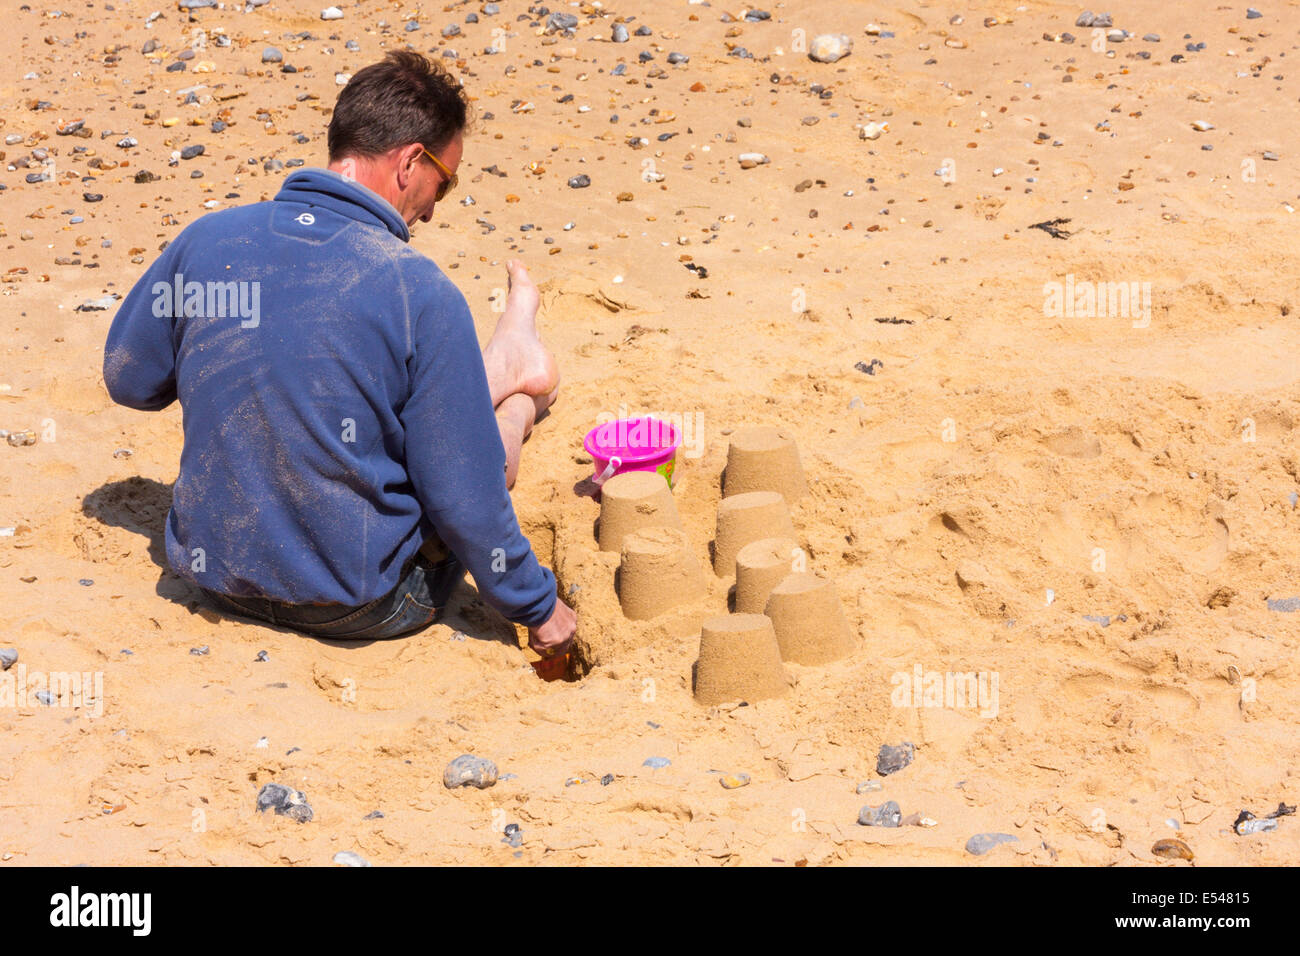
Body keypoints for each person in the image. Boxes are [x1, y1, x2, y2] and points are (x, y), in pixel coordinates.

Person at [102, 51, 576, 657]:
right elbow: (466, 496)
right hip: (363, 607)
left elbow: (129, 380)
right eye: (443, 182)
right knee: (477, 445)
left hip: (217, 579)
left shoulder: (206, 241)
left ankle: (502, 364)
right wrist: (537, 608)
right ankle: (514, 384)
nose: (433, 207)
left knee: (374, 395)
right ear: (411, 162)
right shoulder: (418, 288)